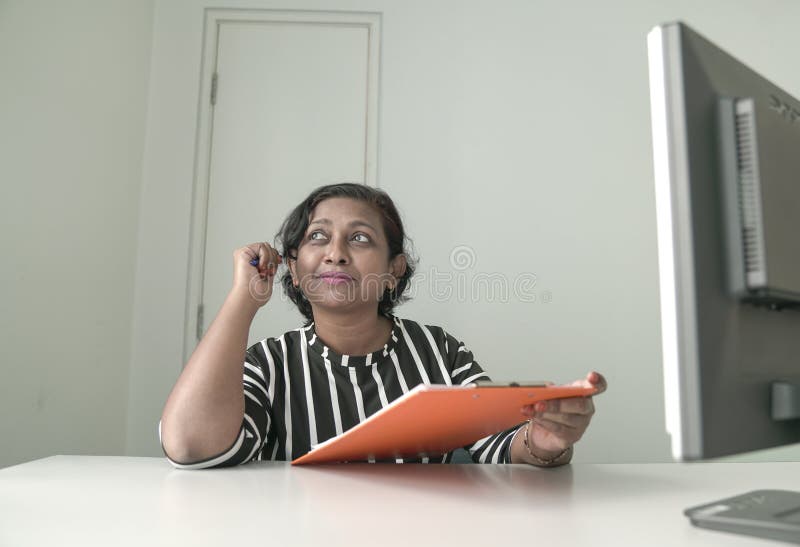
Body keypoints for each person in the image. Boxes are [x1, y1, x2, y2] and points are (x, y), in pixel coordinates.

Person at [159, 183, 606, 468]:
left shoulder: (439, 351)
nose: (335, 253)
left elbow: (497, 442)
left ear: (393, 270)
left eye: (359, 238)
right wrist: (244, 299)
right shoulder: (268, 362)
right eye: (318, 236)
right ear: (293, 270)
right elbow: (192, 445)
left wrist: (545, 442)